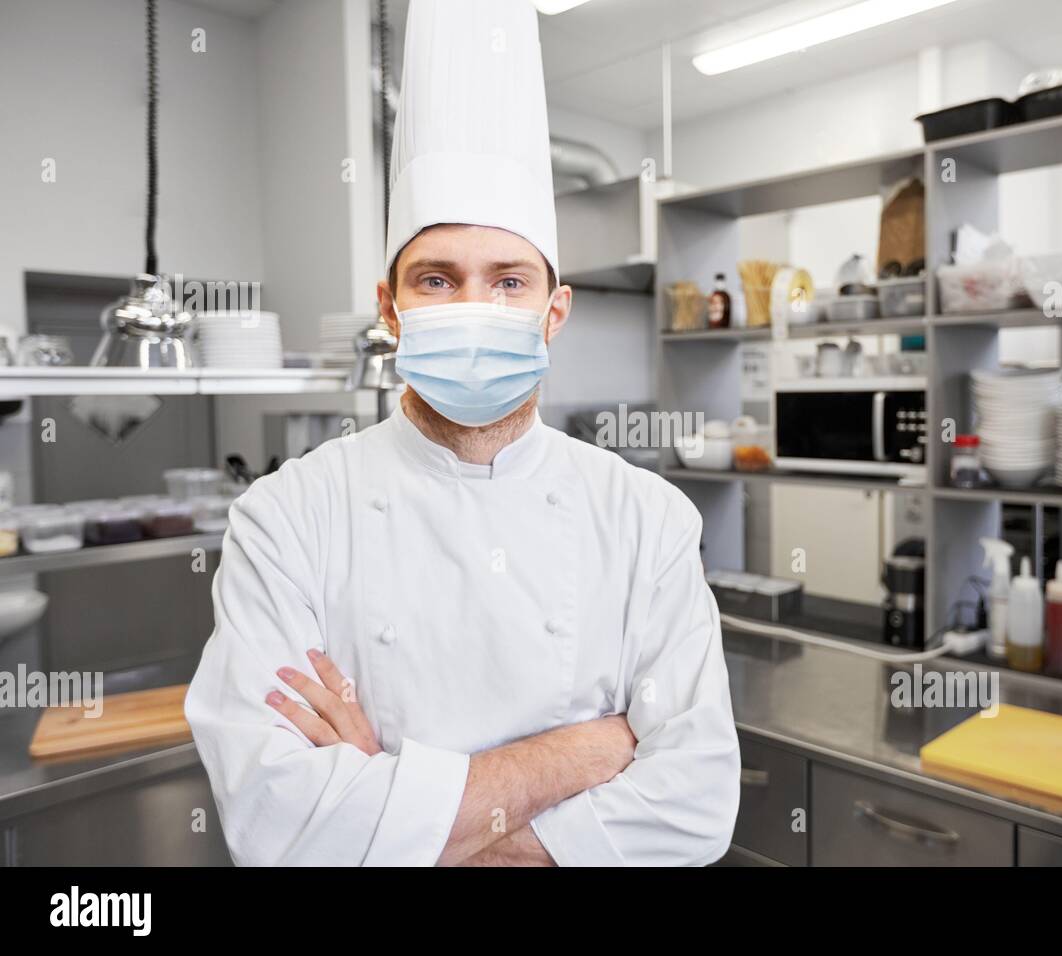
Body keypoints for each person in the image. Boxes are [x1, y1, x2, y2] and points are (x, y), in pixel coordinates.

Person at [184, 0, 739, 867]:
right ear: (391, 309)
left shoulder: (649, 519)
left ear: (554, 312)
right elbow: (276, 823)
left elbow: (699, 803)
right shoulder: (285, 517)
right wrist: (588, 752)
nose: (475, 308)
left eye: (508, 281)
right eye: (438, 280)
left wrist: (386, 805)